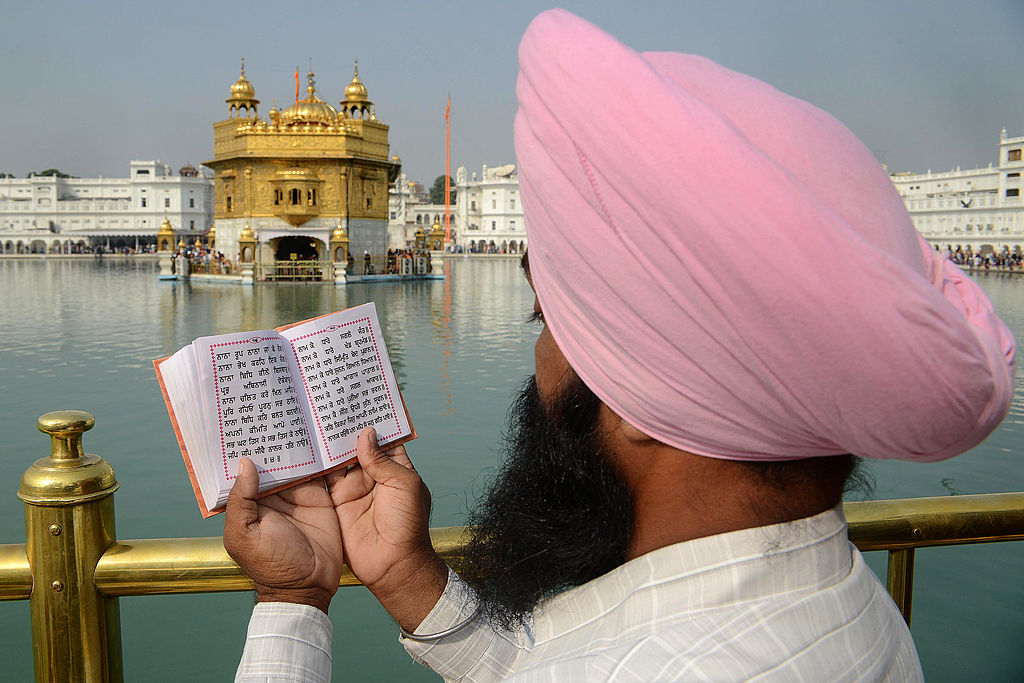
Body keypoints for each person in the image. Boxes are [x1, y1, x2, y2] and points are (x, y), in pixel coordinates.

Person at [224, 9, 1015, 682]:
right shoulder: (846, 599)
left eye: (550, 324)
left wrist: (293, 609)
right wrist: (411, 579)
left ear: (641, 399)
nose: (537, 366)